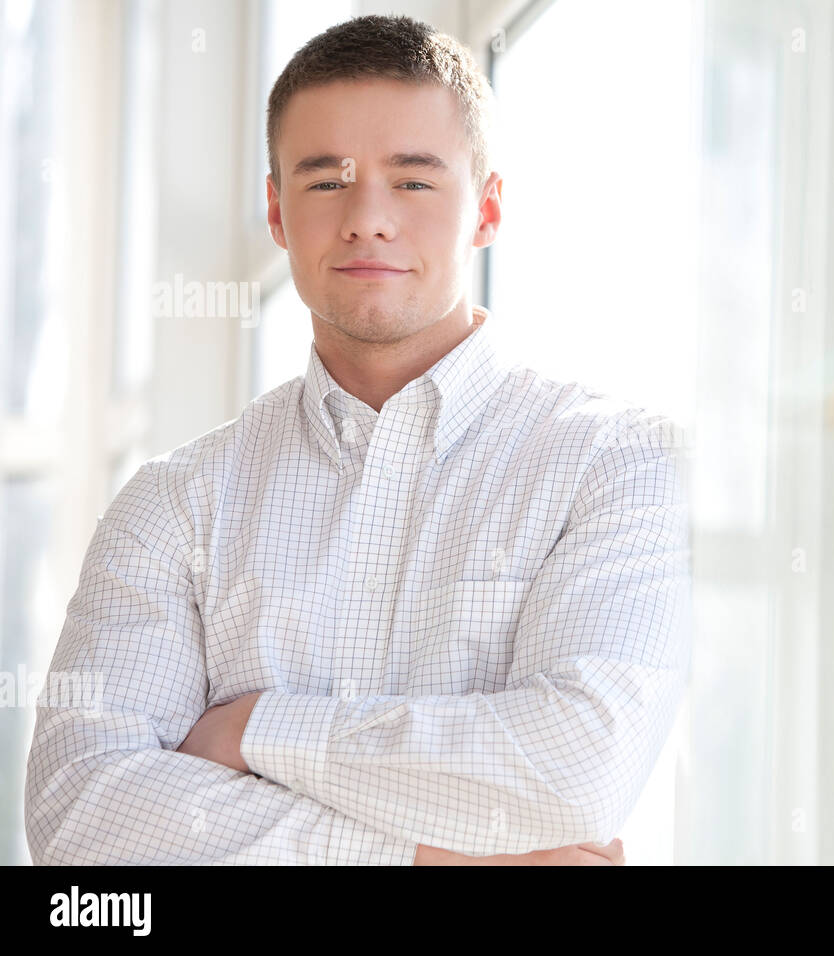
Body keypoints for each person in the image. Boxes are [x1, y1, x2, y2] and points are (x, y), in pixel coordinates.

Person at [25, 14, 691, 865]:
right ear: (275, 209)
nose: (368, 219)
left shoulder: (614, 465)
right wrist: (424, 860)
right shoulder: (173, 504)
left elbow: (576, 771)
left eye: (413, 183)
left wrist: (254, 729)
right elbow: (84, 820)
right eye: (326, 181)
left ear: (486, 208)